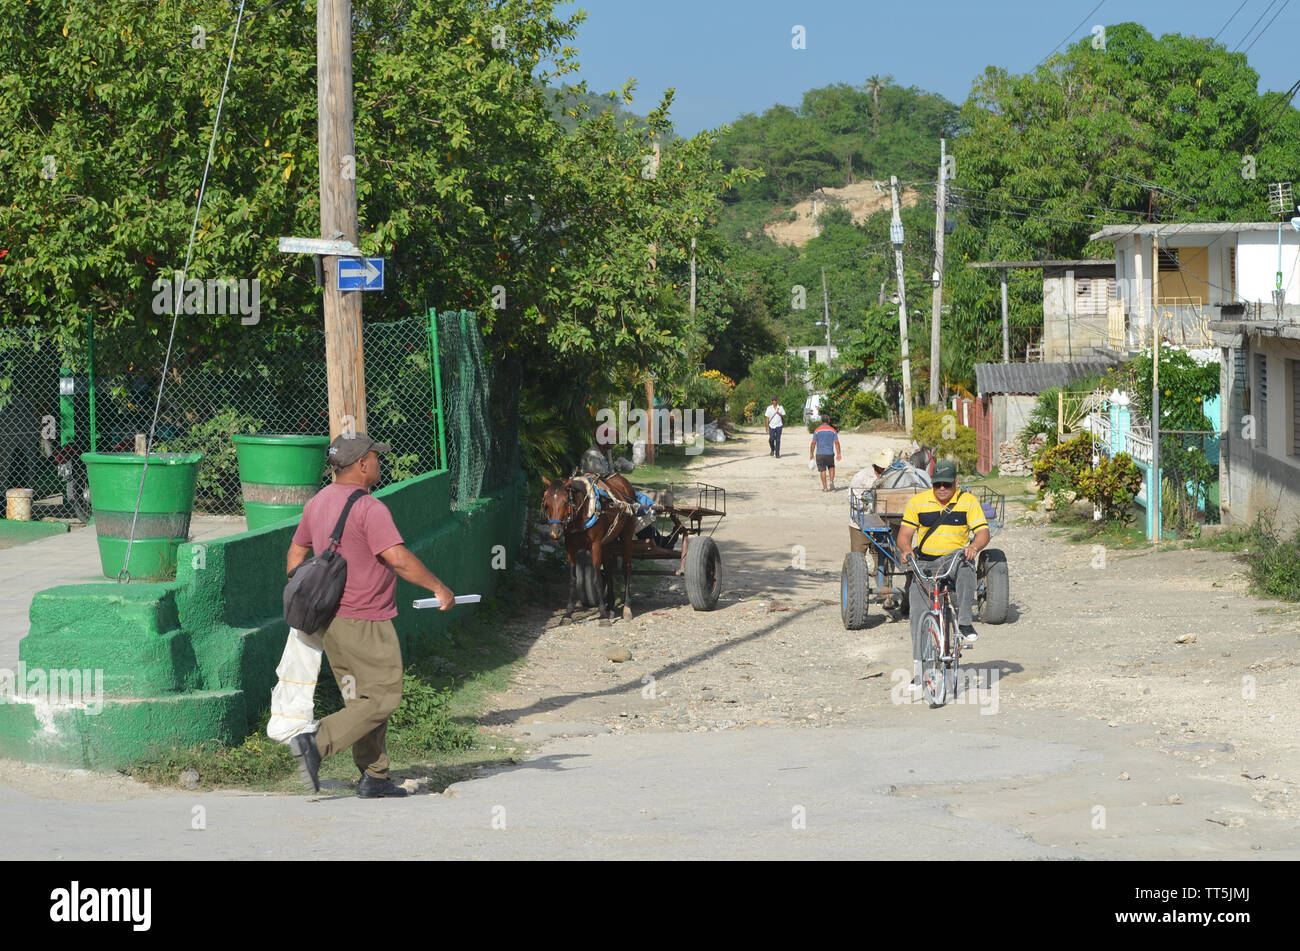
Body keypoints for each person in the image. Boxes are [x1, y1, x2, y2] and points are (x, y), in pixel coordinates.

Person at [285, 432, 455, 798]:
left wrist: (303, 590)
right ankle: (316, 742)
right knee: (384, 697)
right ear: (362, 464)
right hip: (366, 619)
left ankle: (374, 776)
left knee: (361, 700)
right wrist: (439, 587)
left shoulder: (316, 503)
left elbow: (296, 551)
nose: (379, 461)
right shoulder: (370, 508)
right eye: (375, 456)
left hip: (329, 621)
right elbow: (397, 558)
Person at [896, 459, 990, 694]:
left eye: (946, 485)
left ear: (955, 483)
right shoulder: (918, 503)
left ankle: (966, 623)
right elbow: (904, 534)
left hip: (953, 557)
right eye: (937, 484)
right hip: (926, 560)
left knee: (967, 565)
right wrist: (906, 550)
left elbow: (982, 532)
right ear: (932, 483)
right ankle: (919, 673)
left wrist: (974, 547)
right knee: (917, 611)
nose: (941, 489)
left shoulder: (967, 502)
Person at [847, 449, 895, 599]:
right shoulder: (860, 477)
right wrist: (867, 498)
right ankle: (855, 592)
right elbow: (852, 500)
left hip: (883, 523)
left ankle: (884, 591)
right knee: (857, 558)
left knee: (884, 557)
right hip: (861, 523)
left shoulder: (893, 478)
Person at [809, 414, 841, 491]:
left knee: (822, 470)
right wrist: (839, 453)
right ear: (828, 421)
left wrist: (811, 453)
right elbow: (836, 442)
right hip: (829, 453)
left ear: (821, 421)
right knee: (831, 467)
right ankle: (831, 482)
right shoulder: (833, 430)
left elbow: (813, 443)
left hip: (820, 453)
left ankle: (825, 487)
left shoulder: (817, 430)